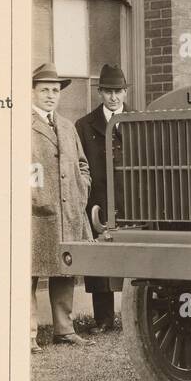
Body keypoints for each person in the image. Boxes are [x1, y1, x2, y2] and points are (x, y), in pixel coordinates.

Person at [30, 62, 93, 352]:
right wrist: (35, 196)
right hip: (35, 212)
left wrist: (82, 187)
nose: (50, 95)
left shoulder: (67, 126)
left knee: (64, 270)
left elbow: (82, 164)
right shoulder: (22, 126)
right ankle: (27, 334)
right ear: (32, 92)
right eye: (44, 90)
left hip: (68, 210)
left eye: (55, 90)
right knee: (29, 274)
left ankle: (64, 330)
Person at [75, 63, 129, 334]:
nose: (114, 97)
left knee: (136, 255)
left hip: (131, 199)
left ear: (125, 92)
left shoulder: (138, 121)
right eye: (108, 91)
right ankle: (104, 318)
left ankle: (136, 316)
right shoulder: (84, 125)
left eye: (118, 91)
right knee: (100, 257)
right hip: (99, 198)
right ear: (100, 93)